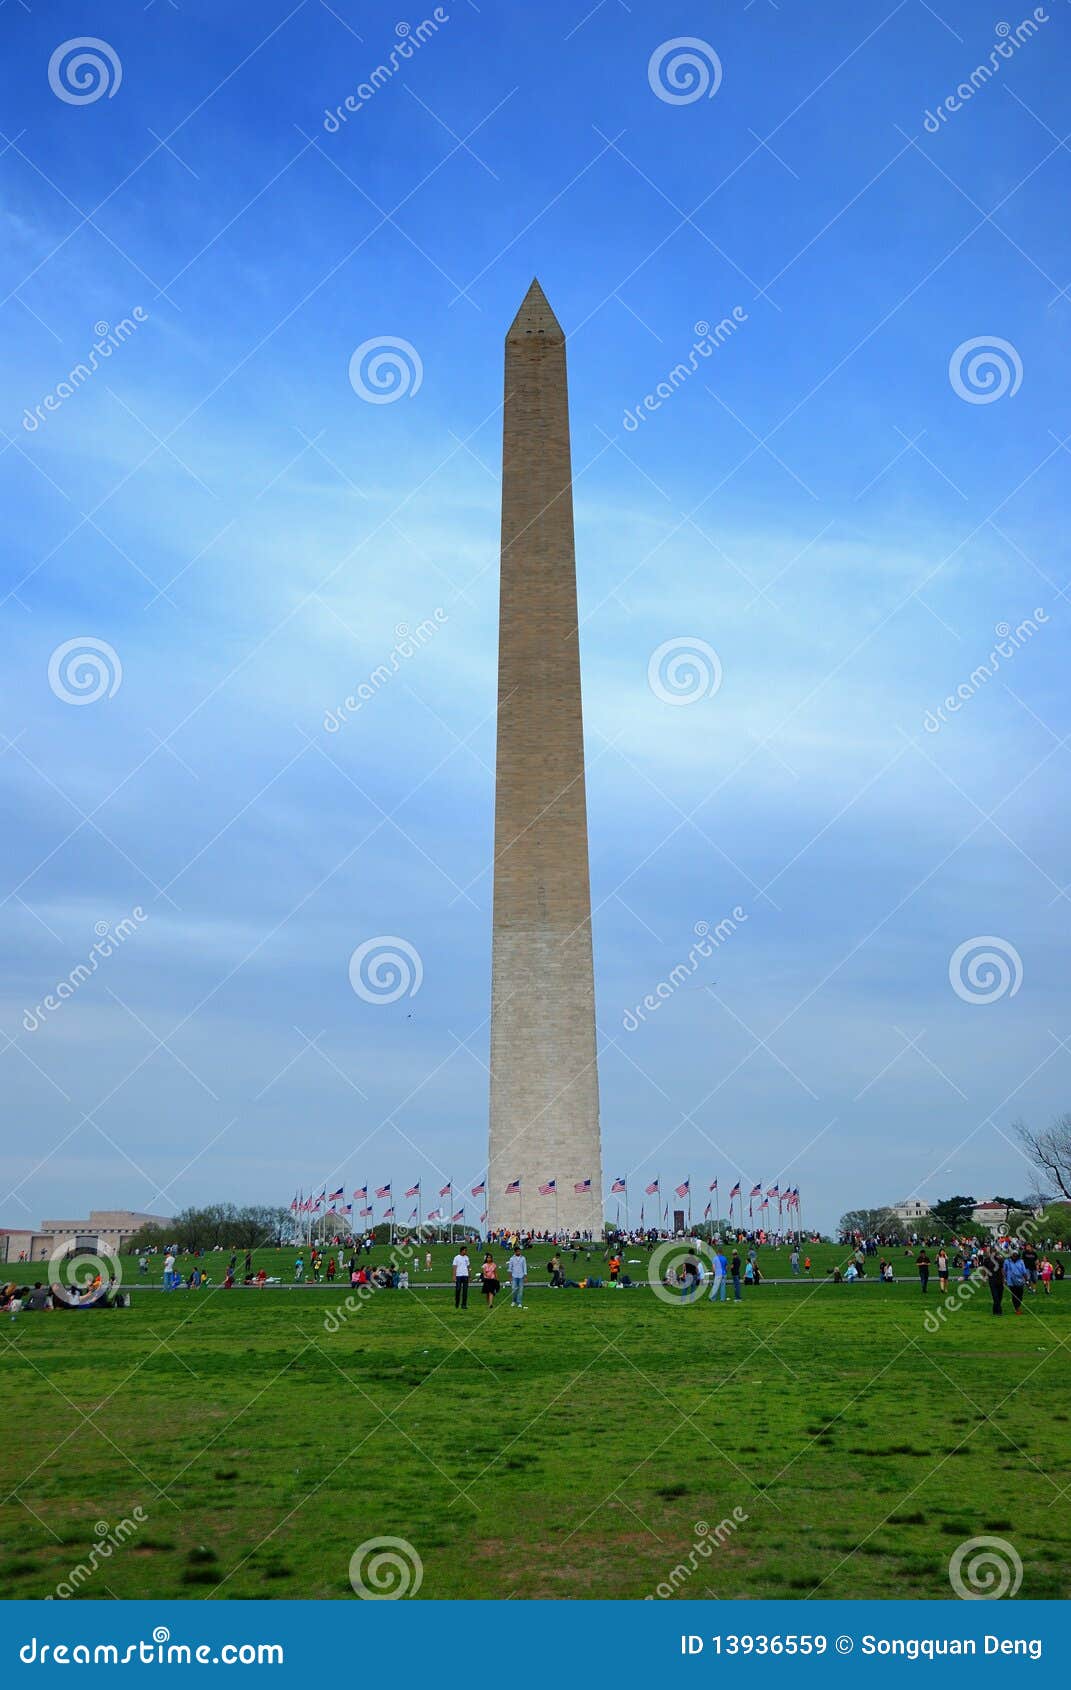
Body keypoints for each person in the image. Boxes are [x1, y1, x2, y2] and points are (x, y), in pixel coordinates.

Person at [979, 1246, 1004, 1315]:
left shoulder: (1000, 1260)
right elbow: (984, 1270)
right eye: (992, 1252)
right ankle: (999, 1312)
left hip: (1000, 1280)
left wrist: (1004, 1279)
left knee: (1000, 1297)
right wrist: (984, 1279)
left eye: (994, 1252)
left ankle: (994, 1310)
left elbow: (1002, 1270)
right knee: (995, 1297)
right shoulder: (987, 1260)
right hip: (992, 1281)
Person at [452, 1244, 470, 1309]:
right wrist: (454, 1276)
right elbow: (454, 1267)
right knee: (458, 1289)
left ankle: (464, 1305)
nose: (466, 1252)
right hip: (458, 1276)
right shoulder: (456, 1257)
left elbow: (468, 1267)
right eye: (465, 1250)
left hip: (465, 1275)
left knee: (465, 1290)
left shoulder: (467, 1258)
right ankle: (457, 1303)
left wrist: (469, 1276)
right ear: (462, 1251)